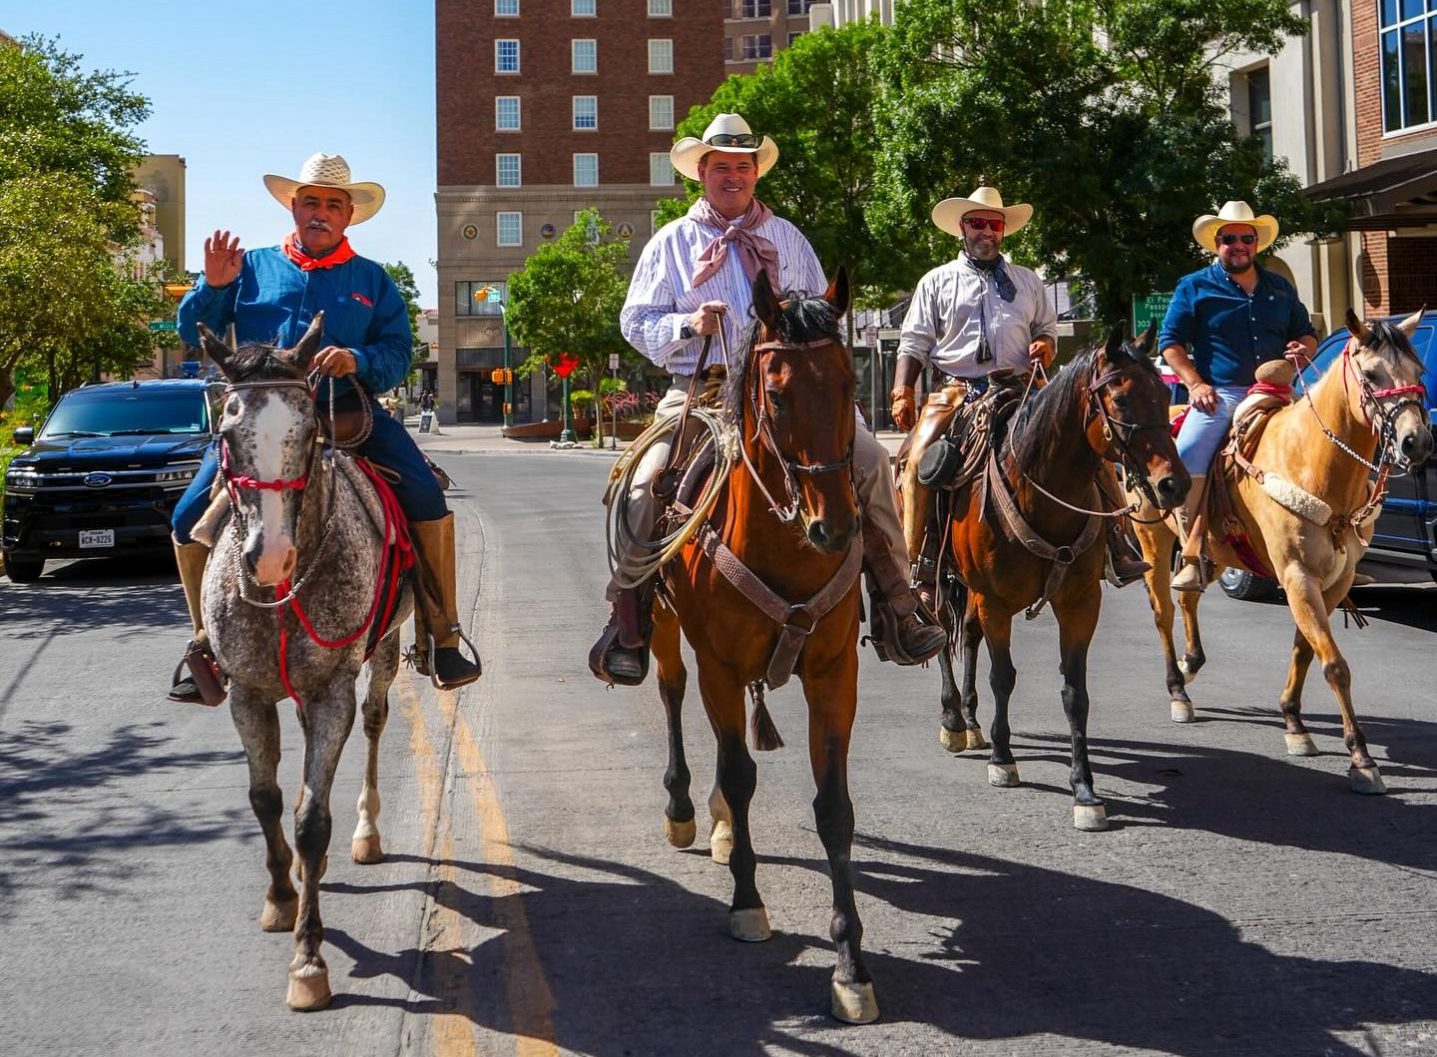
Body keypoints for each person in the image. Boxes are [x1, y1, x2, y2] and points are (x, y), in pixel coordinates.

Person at [588, 113, 946, 686]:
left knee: (874, 462)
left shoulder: (788, 238)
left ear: (756, 174)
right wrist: (687, 324)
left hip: (787, 396)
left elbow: (820, 319)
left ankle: (897, 602)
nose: (734, 177)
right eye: (722, 167)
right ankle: (628, 619)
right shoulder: (673, 243)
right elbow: (635, 321)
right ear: (701, 174)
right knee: (644, 484)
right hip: (699, 392)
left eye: (743, 167)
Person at [168, 152, 481, 701]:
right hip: (263, 426)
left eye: (333, 204)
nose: (320, 212)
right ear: (293, 206)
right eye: (310, 201)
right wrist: (214, 288)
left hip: (349, 416)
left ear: (348, 215)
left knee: (428, 498)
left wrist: (357, 359)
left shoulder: (373, 280)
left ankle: (443, 633)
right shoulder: (250, 268)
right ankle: (205, 643)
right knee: (187, 513)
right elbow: (198, 331)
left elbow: (398, 352)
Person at [893, 186, 1150, 605]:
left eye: (994, 224)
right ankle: (917, 562)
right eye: (978, 223)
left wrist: (1046, 346)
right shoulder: (935, 281)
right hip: (960, 389)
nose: (987, 231)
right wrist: (903, 388)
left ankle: (1119, 543)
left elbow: (1046, 328)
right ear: (963, 228)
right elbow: (914, 342)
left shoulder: (1028, 280)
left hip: (1024, 388)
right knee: (919, 457)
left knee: (1091, 445)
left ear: (1003, 231)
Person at [1159, 201, 1317, 591]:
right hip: (1223, 393)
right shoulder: (1194, 286)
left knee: (1329, 440)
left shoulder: (1280, 287)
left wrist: (1303, 349)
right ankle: (1192, 551)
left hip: (1279, 391)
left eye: (1246, 238)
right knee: (1190, 453)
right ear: (1217, 243)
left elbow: (1306, 333)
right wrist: (1195, 384)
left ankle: (1344, 544)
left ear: (1256, 243)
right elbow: (1171, 343)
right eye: (1229, 238)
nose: (1238, 245)